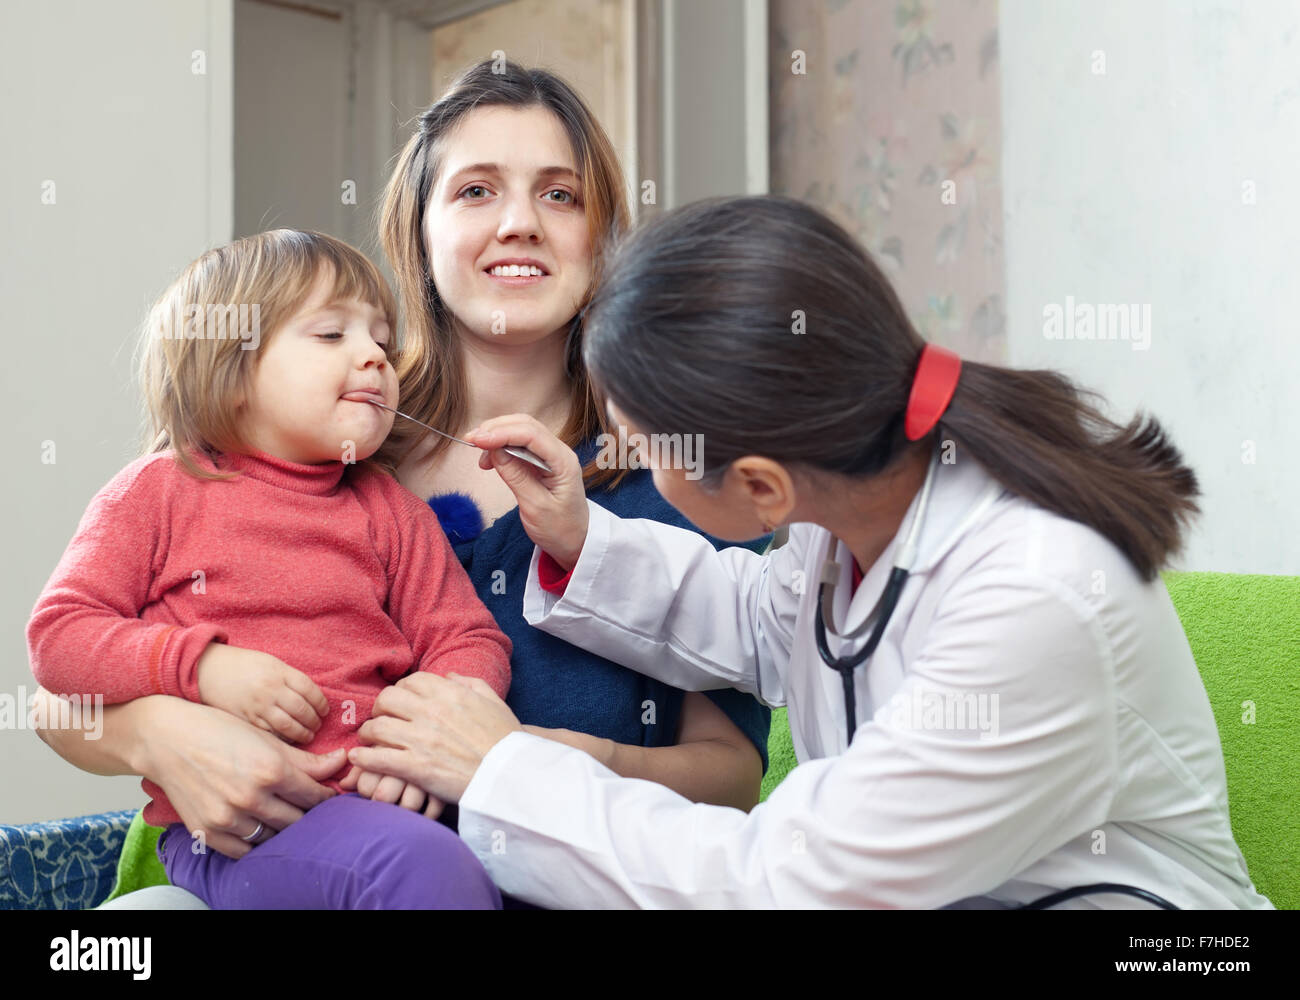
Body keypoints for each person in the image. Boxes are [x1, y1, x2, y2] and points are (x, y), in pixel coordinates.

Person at [337, 194, 1276, 909]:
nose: (622, 457)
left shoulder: (1034, 598)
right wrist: (581, 538)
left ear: (759, 488)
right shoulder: (859, 494)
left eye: (643, 446)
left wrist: (504, 770)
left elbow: (782, 884)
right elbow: (764, 617)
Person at [32, 61, 770, 907]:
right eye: (476, 191)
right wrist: (161, 734)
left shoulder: (682, 475)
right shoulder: (317, 436)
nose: (521, 223)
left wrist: (515, 760)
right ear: (416, 232)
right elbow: (65, 681)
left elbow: (732, 780)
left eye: (560, 196)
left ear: (603, 233)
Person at [27, 229, 512, 909]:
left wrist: (425, 741)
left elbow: (467, 639)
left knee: (453, 860)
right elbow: (60, 638)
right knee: (424, 869)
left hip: (389, 816)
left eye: (380, 336)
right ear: (230, 375)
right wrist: (198, 667)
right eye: (330, 335)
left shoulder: (392, 513)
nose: (375, 354)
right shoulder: (158, 492)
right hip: (238, 839)